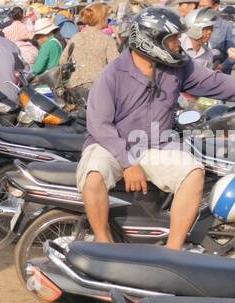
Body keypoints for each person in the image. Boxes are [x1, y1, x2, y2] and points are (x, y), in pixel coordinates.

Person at [80, 6, 235, 249]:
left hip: (157, 145)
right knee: (93, 176)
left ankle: (171, 254)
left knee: (194, 174)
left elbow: (215, 83)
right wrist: (129, 162)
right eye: (172, 39)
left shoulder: (179, 67)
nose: (177, 44)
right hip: (111, 145)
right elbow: (99, 126)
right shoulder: (112, 74)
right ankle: (103, 243)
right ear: (150, 41)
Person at [60, 3, 120, 93]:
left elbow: (62, 61)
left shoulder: (76, 37)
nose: (108, 20)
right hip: (98, 87)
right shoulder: (107, 39)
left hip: (75, 87)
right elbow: (115, 65)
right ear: (101, 19)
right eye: (107, 17)